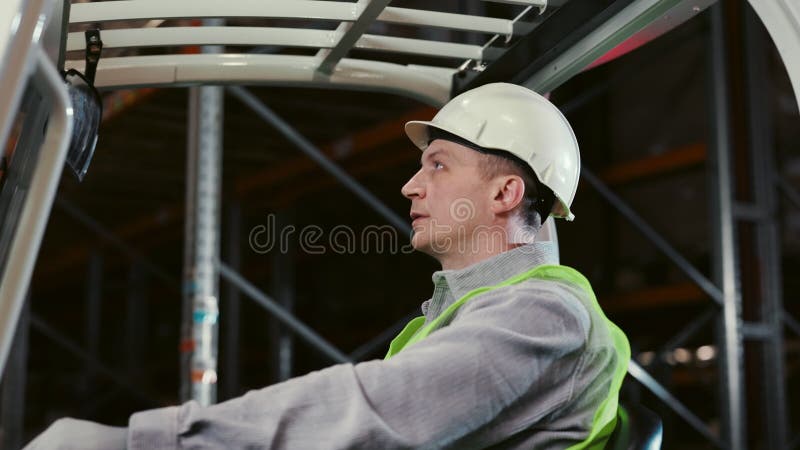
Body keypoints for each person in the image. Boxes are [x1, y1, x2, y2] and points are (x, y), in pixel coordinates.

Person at [25, 83, 629, 449]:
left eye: (438, 164)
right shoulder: (472, 312)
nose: (410, 185)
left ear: (505, 194)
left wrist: (146, 441)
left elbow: (379, 410)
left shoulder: (541, 315)